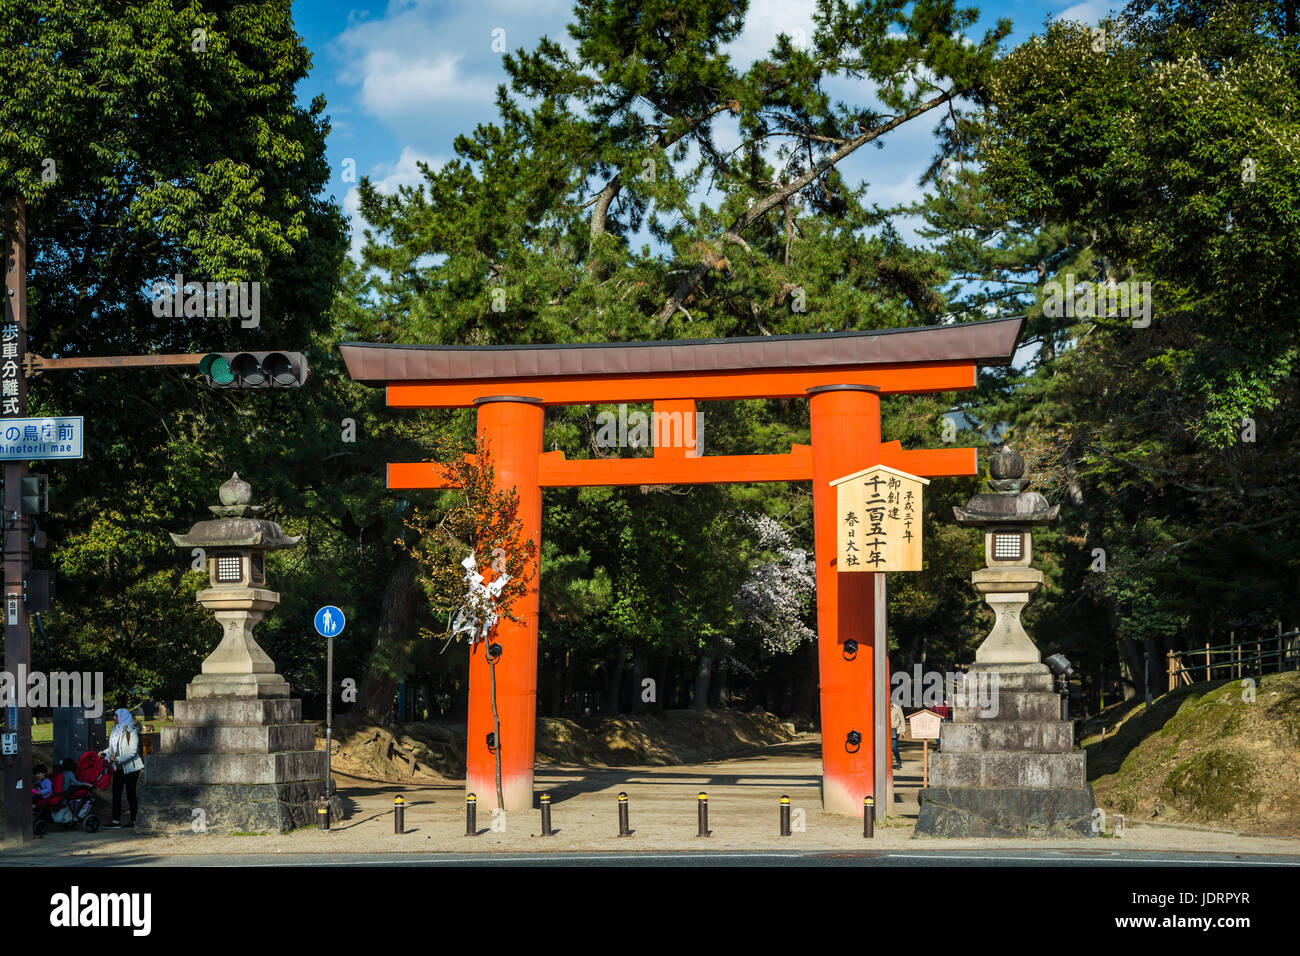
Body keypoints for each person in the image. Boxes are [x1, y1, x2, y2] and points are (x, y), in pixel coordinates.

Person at [103, 708, 144, 828]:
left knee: (130, 793)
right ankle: (115, 820)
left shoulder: (131, 731)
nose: (114, 718)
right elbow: (113, 748)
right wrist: (105, 753)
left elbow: (132, 752)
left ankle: (134, 820)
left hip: (131, 767)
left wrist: (117, 759)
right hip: (119, 768)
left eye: (115, 716)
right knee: (116, 793)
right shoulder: (115, 730)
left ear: (121, 717)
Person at [890, 701, 905, 770]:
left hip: (895, 730)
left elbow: (902, 720)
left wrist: (903, 731)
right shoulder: (883, 708)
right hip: (885, 730)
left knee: (893, 747)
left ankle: (899, 762)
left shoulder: (897, 708)